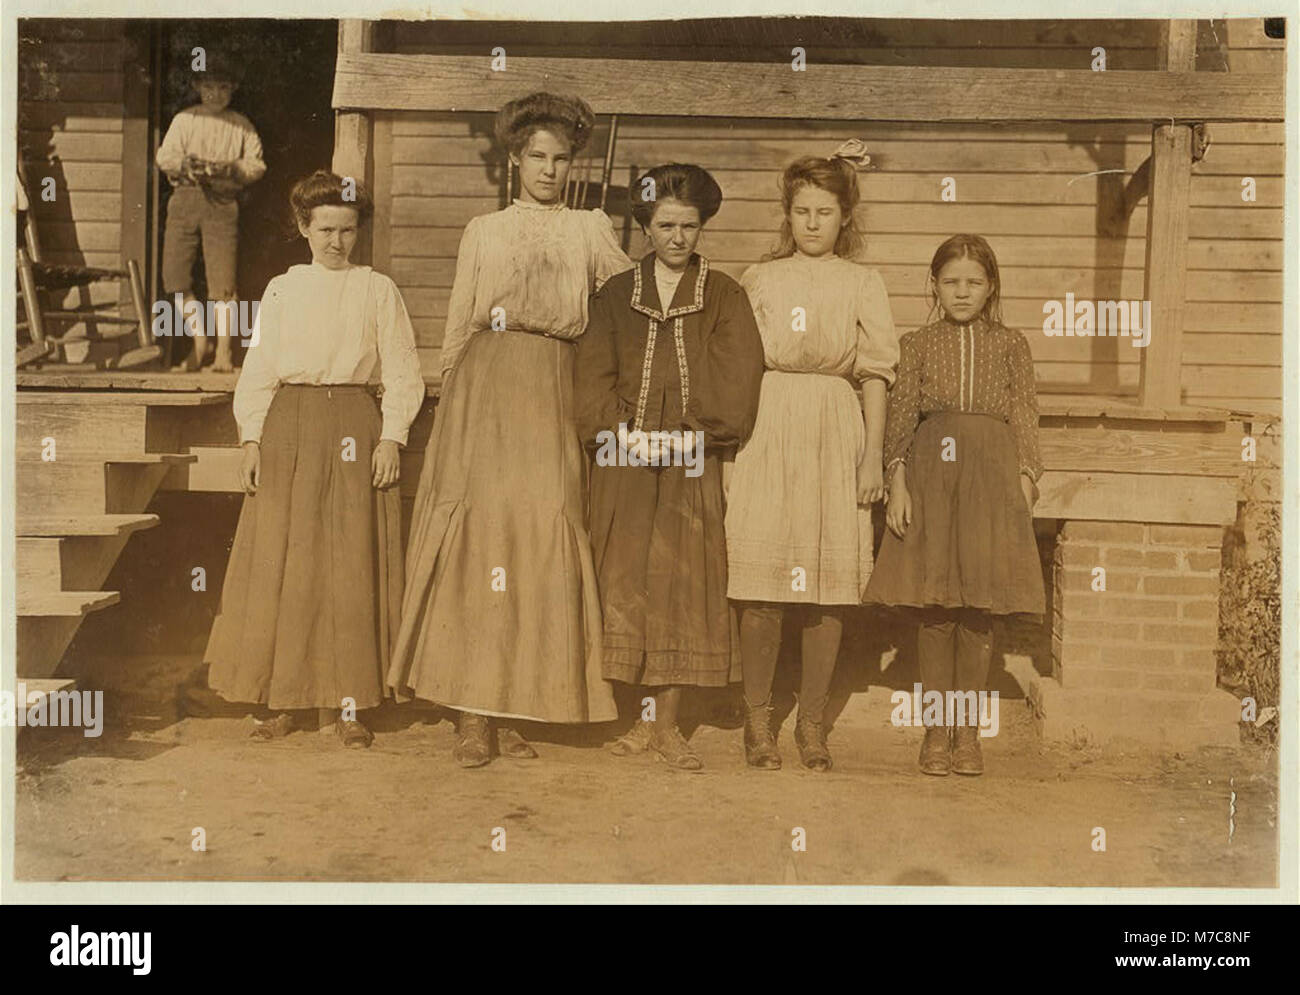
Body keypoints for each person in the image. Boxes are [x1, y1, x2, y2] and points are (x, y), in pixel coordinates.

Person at [388, 92, 633, 767]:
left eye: (559, 159)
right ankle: (472, 711)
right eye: (537, 158)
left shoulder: (590, 230)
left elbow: (631, 305)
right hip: (485, 389)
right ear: (516, 161)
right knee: (483, 538)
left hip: (557, 383)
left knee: (543, 528)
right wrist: (445, 406)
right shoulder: (484, 231)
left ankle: (521, 701)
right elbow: (463, 318)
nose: (549, 170)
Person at [205, 170, 425, 748]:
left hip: (355, 420)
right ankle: (285, 700)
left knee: (348, 562)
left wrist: (391, 437)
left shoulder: (378, 289)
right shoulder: (283, 288)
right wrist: (250, 437)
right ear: (303, 227)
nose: (336, 241)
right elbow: (259, 367)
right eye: (325, 228)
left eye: (347, 230)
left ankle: (348, 704)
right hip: (289, 426)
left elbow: (403, 370)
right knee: (289, 560)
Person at [575, 163, 764, 771]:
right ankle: (635, 718)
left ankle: (671, 725)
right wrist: (624, 434)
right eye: (665, 225)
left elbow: (738, 385)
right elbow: (591, 383)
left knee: (682, 582)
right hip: (621, 458)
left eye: (690, 225)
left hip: (691, 460)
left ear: (702, 226)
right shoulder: (612, 297)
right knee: (625, 575)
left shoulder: (725, 297)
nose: (678, 238)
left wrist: (684, 438)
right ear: (645, 228)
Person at [725, 143, 898, 772]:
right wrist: (731, 455)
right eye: (802, 210)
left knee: (828, 589)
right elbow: (739, 369)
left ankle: (814, 724)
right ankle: (759, 720)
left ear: (844, 216)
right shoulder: (760, 278)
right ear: (787, 214)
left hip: (834, 426)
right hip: (769, 425)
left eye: (825, 211)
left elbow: (876, 374)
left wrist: (872, 459)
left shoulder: (863, 283)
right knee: (761, 584)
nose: (813, 223)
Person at [865, 234, 1046, 777]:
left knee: (978, 608)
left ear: (991, 287)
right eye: (950, 282)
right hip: (933, 480)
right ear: (935, 286)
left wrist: (1027, 480)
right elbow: (900, 421)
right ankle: (936, 731)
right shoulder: (917, 343)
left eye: (973, 282)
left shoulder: (1011, 344)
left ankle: (968, 734)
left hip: (990, 480)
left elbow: (1026, 416)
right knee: (937, 604)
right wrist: (897, 480)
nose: (961, 292)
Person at [155, 54, 265, 372]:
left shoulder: (241, 125)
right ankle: (200, 342)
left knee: (222, 282)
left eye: (222, 87)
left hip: (222, 203)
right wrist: (185, 164)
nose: (215, 94)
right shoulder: (185, 120)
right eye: (208, 87)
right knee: (174, 276)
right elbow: (165, 156)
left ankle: (224, 355)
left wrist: (232, 168)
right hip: (185, 198)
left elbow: (257, 164)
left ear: (233, 89)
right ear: (197, 87)